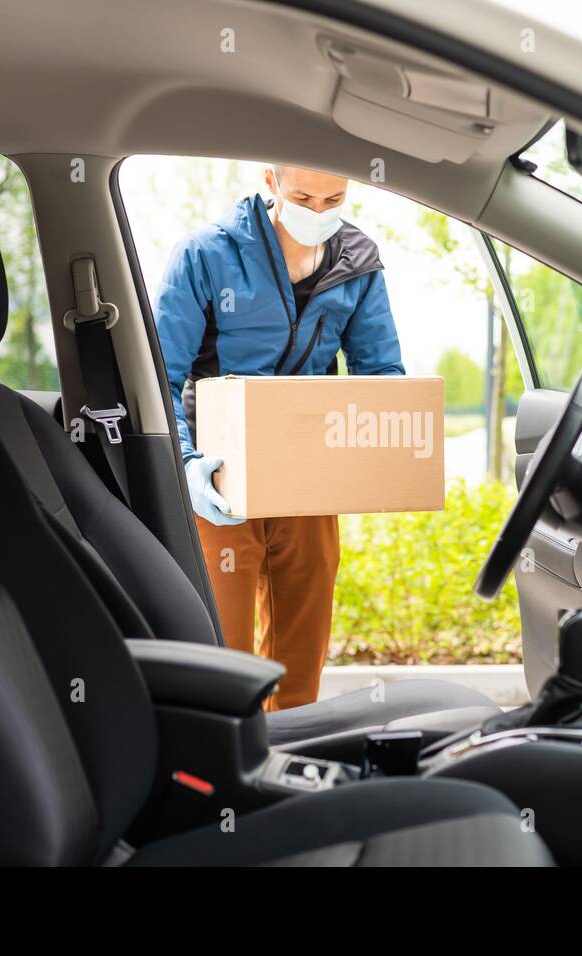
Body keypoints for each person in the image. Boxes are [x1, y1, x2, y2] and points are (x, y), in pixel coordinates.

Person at [154, 164, 403, 710]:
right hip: (220, 479)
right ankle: (226, 773)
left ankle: (290, 771)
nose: (318, 212)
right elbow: (158, 381)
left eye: (334, 197)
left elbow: (381, 377)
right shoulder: (206, 256)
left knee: (301, 658)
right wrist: (189, 467)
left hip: (307, 478)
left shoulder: (358, 263)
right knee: (228, 659)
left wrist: (378, 459)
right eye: (303, 196)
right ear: (271, 182)